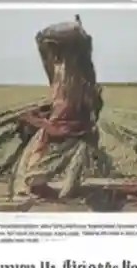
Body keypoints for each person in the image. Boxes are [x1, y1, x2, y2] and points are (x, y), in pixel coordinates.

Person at [11, 15, 106, 200]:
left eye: (54, 49)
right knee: (34, 154)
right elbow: (62, 101)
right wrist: (46, 113)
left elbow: (75, 103)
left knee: (41, 160)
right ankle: (33, 185)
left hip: (71, 126)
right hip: (64, 123)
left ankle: (36, 184)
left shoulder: (77, 71)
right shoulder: (63, 69)